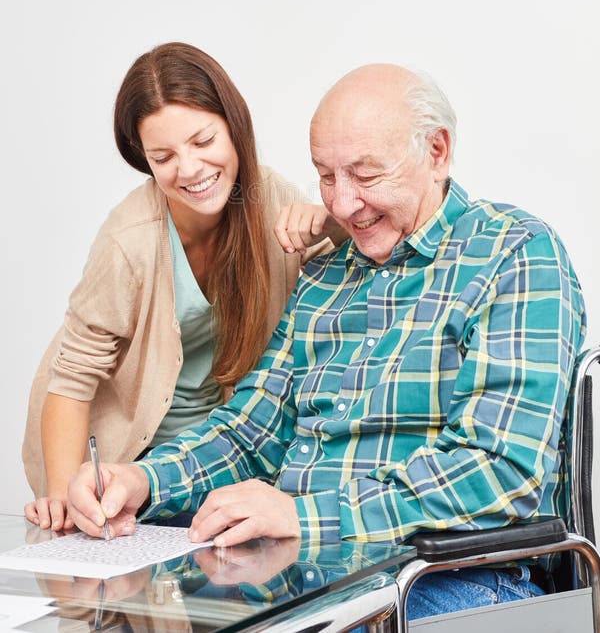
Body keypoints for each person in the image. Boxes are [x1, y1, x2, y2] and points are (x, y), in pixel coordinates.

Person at [67, 63, 586, 621]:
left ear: (437, 152)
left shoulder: (516, 254)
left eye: (365, 175)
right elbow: (252, 429)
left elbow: (499, 471)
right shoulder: (324, 275)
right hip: (298, 571)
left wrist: (303, 516)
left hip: (441, 576)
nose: (340, 206)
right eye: (325, 176)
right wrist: (143, 478)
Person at [23, 42, 344, 534]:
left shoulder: (267, 196)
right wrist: (64, 495)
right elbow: (69, 381)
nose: (190, 169)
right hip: (127, 462)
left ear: (234, 125)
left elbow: (342, 282)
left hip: (217, 457)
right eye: (164, 156)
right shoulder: (129, 241)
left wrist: (330, 224)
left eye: (202, 140)